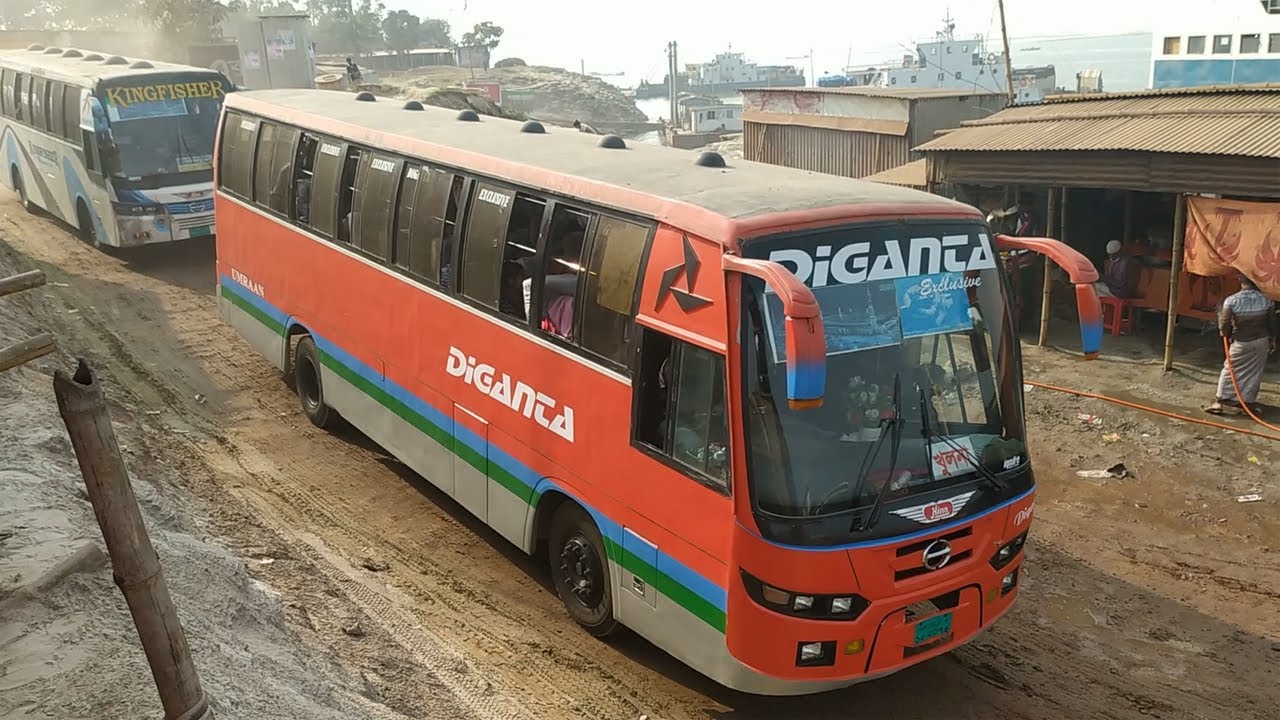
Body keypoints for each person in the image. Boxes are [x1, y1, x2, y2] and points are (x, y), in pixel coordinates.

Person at [1204, 275, 1276, 416]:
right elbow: (1272, 324)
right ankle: (1246, 402)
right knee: (1254, 372)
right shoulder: (1267, 300)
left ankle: (1220, 401)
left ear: (1240, 282)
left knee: (1229, 369)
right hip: (1261, 342)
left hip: (1242, 341)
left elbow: (1224, 323)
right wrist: (1273, 340)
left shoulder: (1231, 301)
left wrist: (1226, 334)